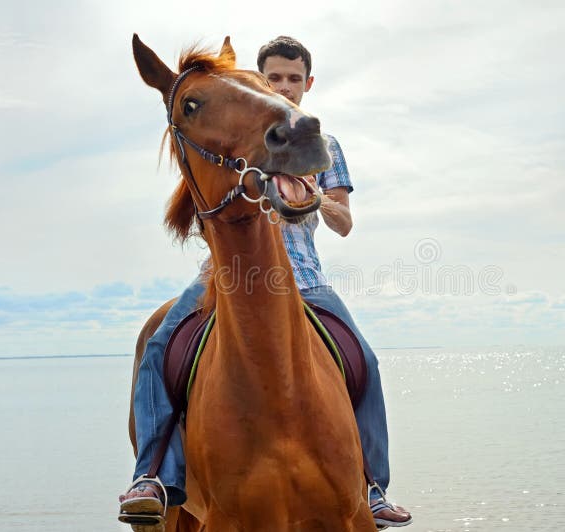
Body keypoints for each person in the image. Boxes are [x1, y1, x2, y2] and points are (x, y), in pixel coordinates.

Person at [118, 36, 412, 528]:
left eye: (294, 79)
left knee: (365, 359)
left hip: (305, 279)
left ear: (307, 85)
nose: (284, 87)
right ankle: (152, 474)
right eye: (273, 78)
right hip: (227, 277)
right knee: (158, 348)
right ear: (258, 82)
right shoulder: (247, 130)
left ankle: (374, 486)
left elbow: (345, 221)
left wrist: (314, 198)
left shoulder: (324, 145)